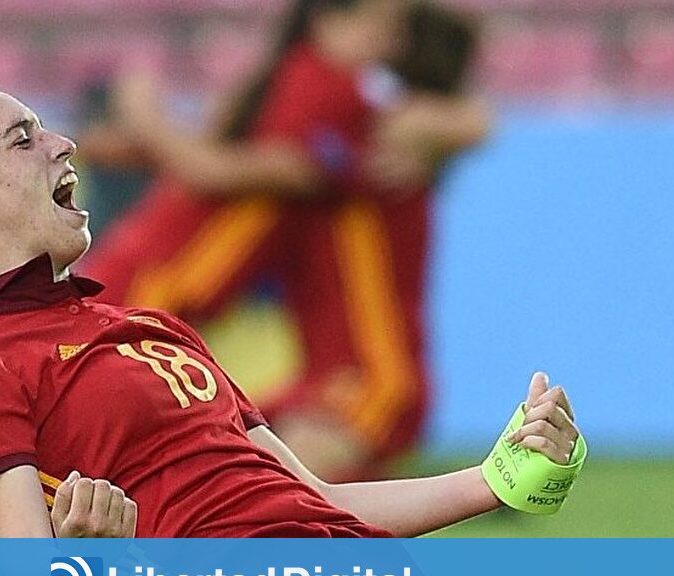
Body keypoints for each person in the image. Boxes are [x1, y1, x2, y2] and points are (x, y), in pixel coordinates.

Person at [0, 81, 581, 538]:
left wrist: (500, 476)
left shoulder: (152, 329)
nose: (63, 143)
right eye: (21, 139)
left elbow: (320, 501)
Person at [80, 0, 489, 481]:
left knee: (228, 484)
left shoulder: (339, 106)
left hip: (357, 382)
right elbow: (215, 160)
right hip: (150, 302)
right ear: (331, 18)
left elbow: (213, 168)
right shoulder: (322, 93)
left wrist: (145, 115)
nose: (392, 40)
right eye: (386, 24)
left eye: (400, 29)